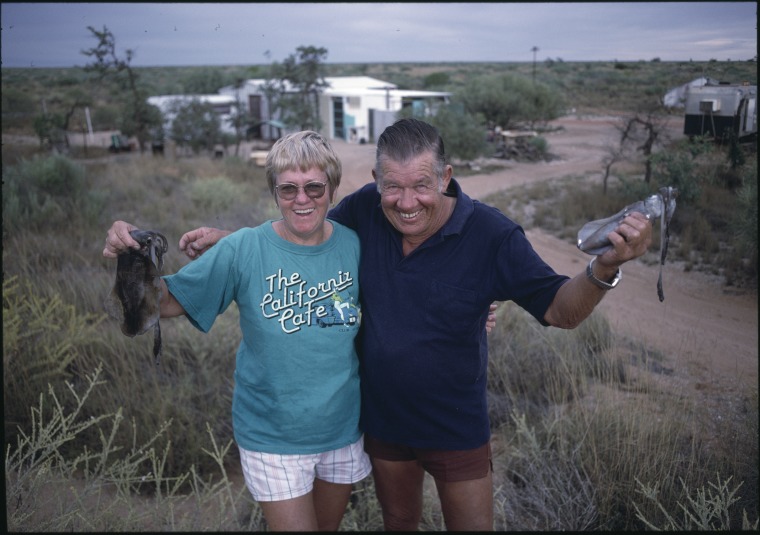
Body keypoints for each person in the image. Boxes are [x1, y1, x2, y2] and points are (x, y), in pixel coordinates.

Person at [178, 118, 653, 531]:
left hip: (456, 424)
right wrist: (233, 244)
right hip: (383, 425)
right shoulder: (365, 209)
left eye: (422, 185)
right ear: (376, 179)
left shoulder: (493, 235)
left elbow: (559, 310)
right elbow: (303, 234)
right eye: (393, 186)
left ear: (446, 177)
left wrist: (604, 269)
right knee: (399, 524)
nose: (406, 202)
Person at [102, 131, 372, 531]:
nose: (302, 198)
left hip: (343, 431)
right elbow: (162, 304)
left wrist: (476, 307)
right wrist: (131, 257)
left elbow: (403, 298)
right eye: (288, 189)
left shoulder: (354, 246)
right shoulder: (242, 249)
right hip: (273, 437)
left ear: (332, 188)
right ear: (274, 192)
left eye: (314, 186)